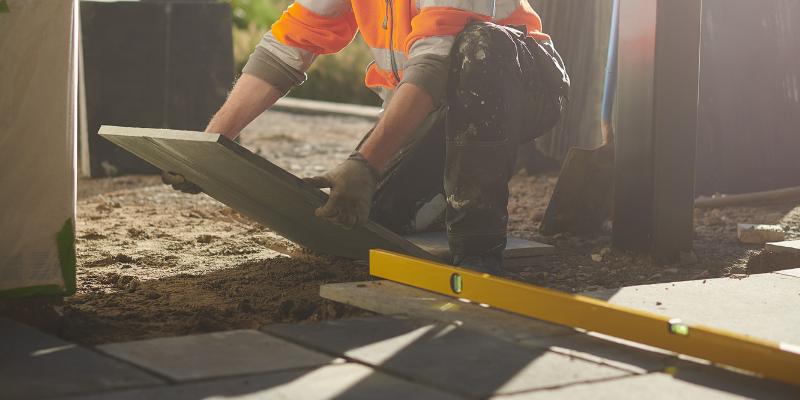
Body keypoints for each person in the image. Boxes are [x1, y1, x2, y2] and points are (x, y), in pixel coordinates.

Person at [163, 0, 569, 274]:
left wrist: (365, 165)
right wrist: (212, 142)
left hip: (525, 84)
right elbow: (286, 47)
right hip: (432, 101)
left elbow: (435, 57)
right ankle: (444, 196)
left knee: (479, 43)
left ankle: (478, 248)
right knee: (371, 219)